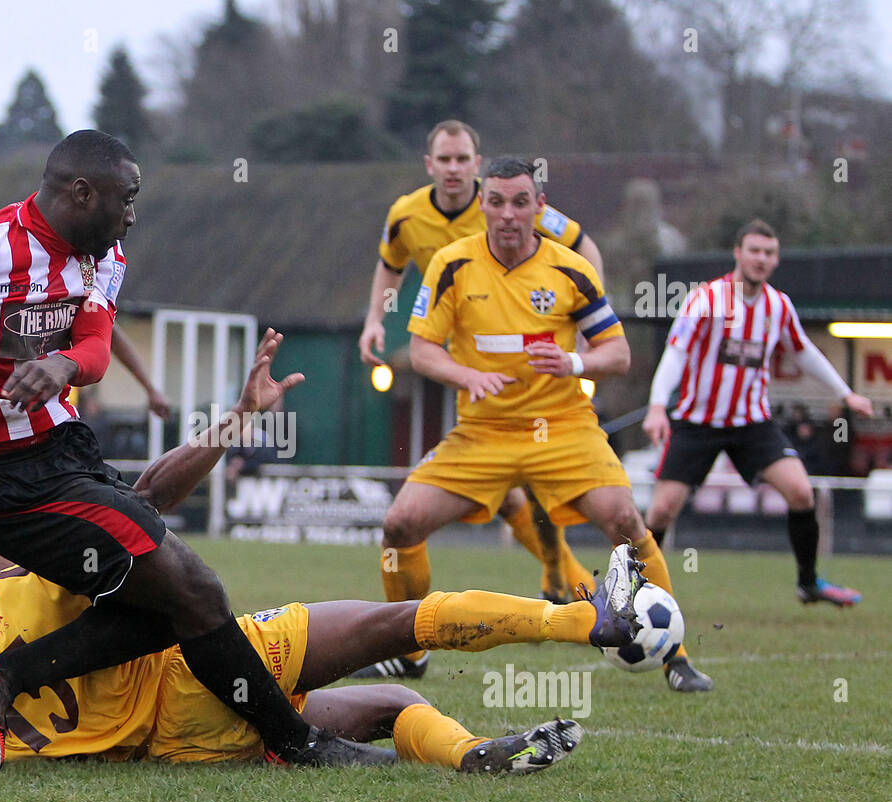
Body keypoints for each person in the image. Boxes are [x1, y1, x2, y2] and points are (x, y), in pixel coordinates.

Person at [0, 133, 381, 770]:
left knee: (168, 609)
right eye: (127, 198)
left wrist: (62, 365)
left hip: (68, 457)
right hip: (8, 480)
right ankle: (298, 744)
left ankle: (3, 675)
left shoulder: (101, 257)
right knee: (197, 588)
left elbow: (97, 353)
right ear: (82, 192)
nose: (133, 213)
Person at [0, 341, 645, 771]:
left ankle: (465, 756)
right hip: (201, 666)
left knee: (386, 709)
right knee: (398, 628)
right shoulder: (53, 555)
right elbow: (151, 495)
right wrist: (236, 419)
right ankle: (584, 624)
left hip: (179, 735)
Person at [379, 156, 714, 693]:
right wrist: (465, 373)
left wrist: (575, 363)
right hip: (482, 433)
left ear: (539, 207)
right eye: (497, 202)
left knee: (625, 520)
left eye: (519, 202)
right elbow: (421, 351)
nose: (508, 214)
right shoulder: (451, 263)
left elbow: (619, 354)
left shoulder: (570, 269)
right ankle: (406, 651)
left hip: (562, 427)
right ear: (482, 205)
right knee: (400, 525)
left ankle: (675, 653)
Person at [356, 120, 603, 677]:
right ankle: (579, 592)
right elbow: (391, 265)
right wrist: (376, 319)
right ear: (429, 164)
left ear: (476, 162)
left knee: (515, 495)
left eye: (462, 158)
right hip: (454, 358)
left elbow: (584, 247)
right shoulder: (406, 214)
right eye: (443, 158)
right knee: (506, 499)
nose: (452, 167)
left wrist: (589, 328)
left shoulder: (506, 203)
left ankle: (580, 593)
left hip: (518, 364)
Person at [642, 219, 872, 607]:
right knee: (662, 510)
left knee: (801, 492)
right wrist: (657, 406)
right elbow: (676, 352)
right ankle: (635, 590)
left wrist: (845, 394)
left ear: (776, 259)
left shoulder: (778, 306)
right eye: (754, 251)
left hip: (752, 423)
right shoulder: (707, 300)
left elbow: (803, 352)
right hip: (697, 421)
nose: (761, 259)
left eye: (768, 253)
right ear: (738, 253)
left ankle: (808, 583)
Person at [0, 325, 171, 591]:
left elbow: (107, 334)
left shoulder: (81, 295)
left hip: (59, 419)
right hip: (10, 407)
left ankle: (49, 576)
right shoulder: (11, 293)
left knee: (61, 498)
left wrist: (150, 389)